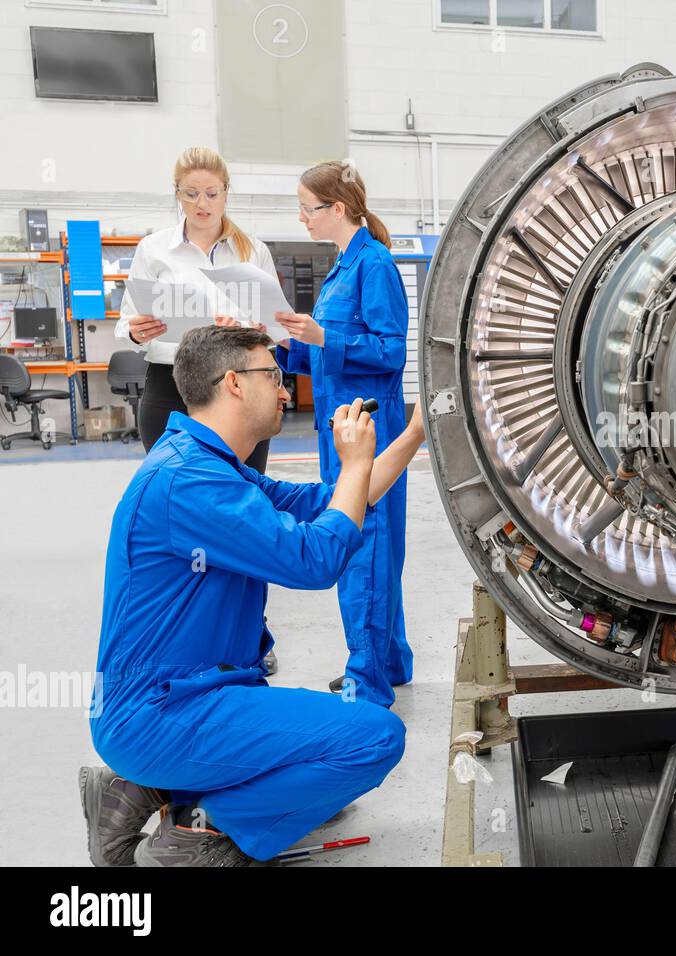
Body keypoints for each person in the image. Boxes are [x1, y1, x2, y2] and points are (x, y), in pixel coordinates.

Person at [80, 325, 426, 866]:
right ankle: (194, 830)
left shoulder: (214, 467)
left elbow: (327, 502)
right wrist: (355, 463)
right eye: (275, 376)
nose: (287, 391)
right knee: (372, 738)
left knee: (321, 765)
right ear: (234, 383)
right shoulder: (190, 482)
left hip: (188, 696)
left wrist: (412, 435)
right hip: (158, 710)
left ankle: (136, 789)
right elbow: (314, 560)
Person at [274, 161, 413, 707]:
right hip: (342, 428)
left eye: (308, 207)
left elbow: (391, 352)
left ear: (337, 208)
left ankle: (367, 676)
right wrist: (282, 343)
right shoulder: (342, 268)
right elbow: (327, 360)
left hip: (368, 429)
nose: (302, 217)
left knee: (365, 547)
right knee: (373, 545)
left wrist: (324, 335)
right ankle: (391, 658)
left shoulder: (373, 265)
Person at [116, 146, 278, 474]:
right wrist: (135, 331)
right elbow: (126, 323)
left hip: (240, 385)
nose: (201, 204)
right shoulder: (153, 249)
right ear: (176, 193)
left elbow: (275, 327)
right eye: (190, 194)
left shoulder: (253, 252)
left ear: (226, 192)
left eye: (211, 193)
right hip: (169, 387)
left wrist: (247, 331)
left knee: (242, 490)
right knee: (174, 491)